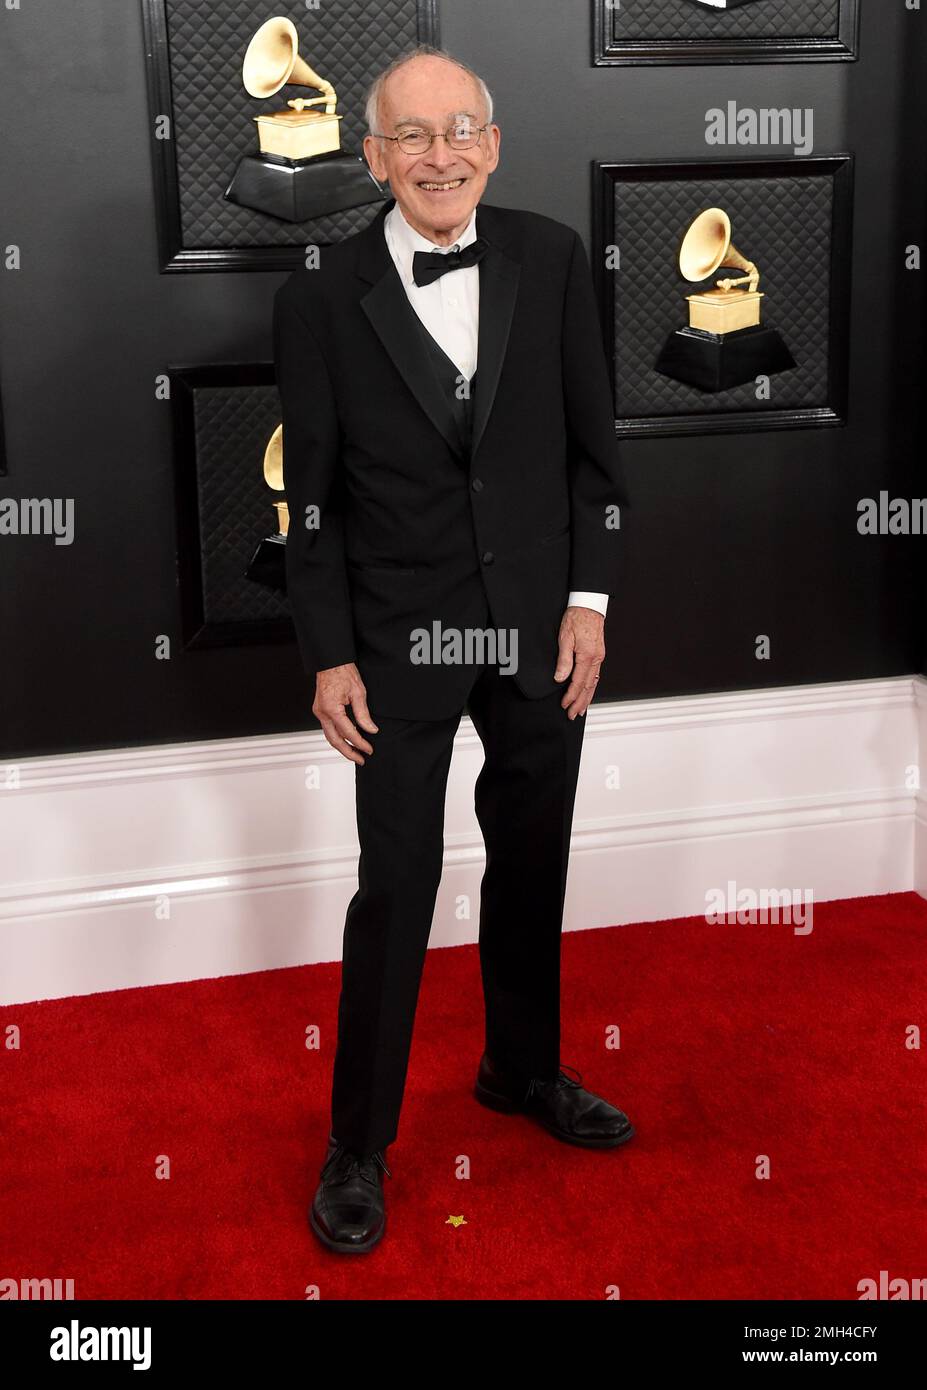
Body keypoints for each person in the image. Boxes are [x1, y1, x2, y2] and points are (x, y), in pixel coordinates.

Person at [273, 44, 634, 1255]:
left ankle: (522, 1072)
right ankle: (359, 1141)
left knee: (533, 861)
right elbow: (309, 498)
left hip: (539, 631)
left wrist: (588, 598)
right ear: (372, 157)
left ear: (493, 140)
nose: (442, 154)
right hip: (397, 644)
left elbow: (595, 451)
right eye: (412, 136)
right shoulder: (320, 289)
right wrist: (328, 652)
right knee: (399, 887)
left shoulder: (552, 253)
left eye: (462, 128)